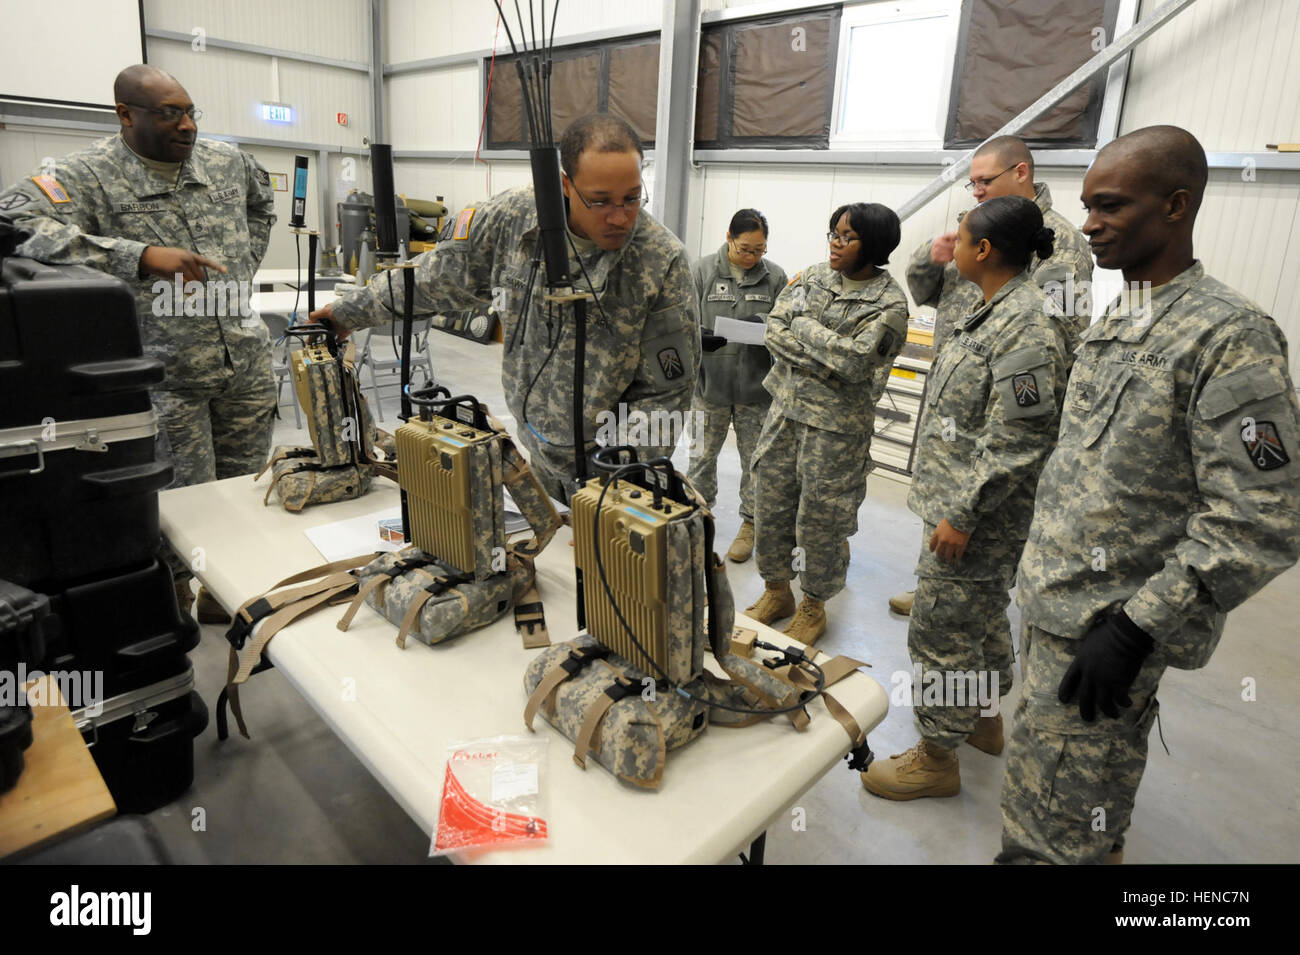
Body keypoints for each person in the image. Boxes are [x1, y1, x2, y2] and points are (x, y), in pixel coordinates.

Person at [999, 126, 1300, 864]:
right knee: (1044, 795)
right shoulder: (1126, 310)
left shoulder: (1230, 335)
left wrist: (1138, 627)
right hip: (1052, 604)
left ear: (1175, 205)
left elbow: (1264, 517)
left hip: (1111, 627)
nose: (1090, 223)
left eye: (1110, 206)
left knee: (1061, 830)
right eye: (1087, 206)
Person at [0, 64, 277, 622]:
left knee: (245, 491)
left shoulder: (227, 160)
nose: (187, 125)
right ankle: (171, 611)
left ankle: (228, 597)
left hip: (242, 360)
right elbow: (14, 222)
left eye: (191, 111)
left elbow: (262, 204)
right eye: (169, 113)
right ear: (125, 114)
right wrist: (140, 256)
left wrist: (240, 269)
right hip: (164, 373)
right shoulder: (86, 174)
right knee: (179, 504)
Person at [312, 114, 699, 502]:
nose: (620, 217)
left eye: (632, 198)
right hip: (535, 450)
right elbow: (434, 279)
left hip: (609, 468)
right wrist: (350, 311)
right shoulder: (513, 220)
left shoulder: (659, 260)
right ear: (565, 185)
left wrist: (617, 485)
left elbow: (664, 395)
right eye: (599, 201)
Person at [860, 196, 1071, 800]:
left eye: (961, 231)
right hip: (964, 504)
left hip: (979, 519)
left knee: (941, 633)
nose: (952, 239)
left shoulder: (1025, 324)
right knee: (977, 624)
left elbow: (1019, 438)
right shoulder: (993, 309)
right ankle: (981, 720)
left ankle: (936, 756)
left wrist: (963, 513)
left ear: (984, 250)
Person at [890, 134, 1094, 617]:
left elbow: (1062, 333)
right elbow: (927, 293)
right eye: (972, 183)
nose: (976, 191)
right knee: (945, 516)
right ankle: (936, 583)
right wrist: (930, 256)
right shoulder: (976, 227)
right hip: (956, 391)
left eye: (985, 181)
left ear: (1020, 172)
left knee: (974, 544)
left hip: (997, 401)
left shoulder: (1059, 242)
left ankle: (953, 595)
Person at [745, 203, 908, 646]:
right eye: (833, 234)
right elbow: (774, 331)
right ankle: (776, 591)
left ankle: (813, 605)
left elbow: (856, 363)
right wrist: (822, 353)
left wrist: (805, 329)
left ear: (872, 245)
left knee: (821, 520)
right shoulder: (813, 276)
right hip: (785, 413)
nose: (835, 244)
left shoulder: (889, 304)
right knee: (771, 504)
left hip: (836, 431)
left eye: (847, 237)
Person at [686, 209, 788, 563]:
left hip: (755, 393)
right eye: (746, 248)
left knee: (756, 464)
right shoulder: (701, 271)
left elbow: (786, 326)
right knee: (700, 458)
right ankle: (697, 519)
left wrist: (764, 330)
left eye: (759, 250)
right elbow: (683, 320)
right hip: (707, 388)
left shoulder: (774, 277)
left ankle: (750, 525)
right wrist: (697, 337)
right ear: (729, 237)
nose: (753, 257)